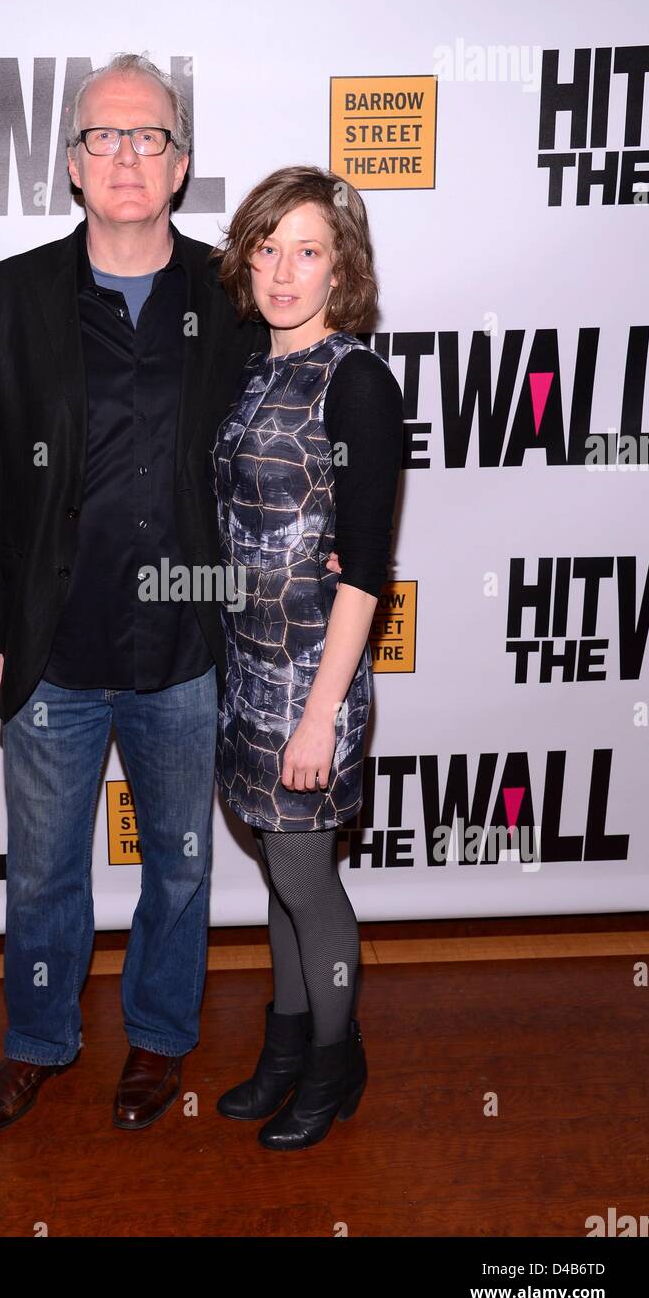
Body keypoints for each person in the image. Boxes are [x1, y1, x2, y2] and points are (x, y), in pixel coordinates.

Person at [0, 52, 267, 1135]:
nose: (126, 157)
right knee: (43, 875)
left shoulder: (231, 295)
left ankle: (159, 1038)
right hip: (50, 648)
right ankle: (38, 1041)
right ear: (71, 163)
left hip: (184, 644)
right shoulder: (10, 295)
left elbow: (271, 450)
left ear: (180, 164)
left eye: (149, 137)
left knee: (177, 869)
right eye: (103, 137)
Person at [209, 165, 404, 1150]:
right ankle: (287, 1046)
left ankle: (336, 1061)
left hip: (306, 683)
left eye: (307, 249)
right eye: (266, 246)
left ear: (341, 267)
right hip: (245, 669)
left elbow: (365, 569)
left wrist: (321, 712)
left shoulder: (356, 381)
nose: (283, 270)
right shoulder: (253, 365)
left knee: (306, 880)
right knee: (283, 876)